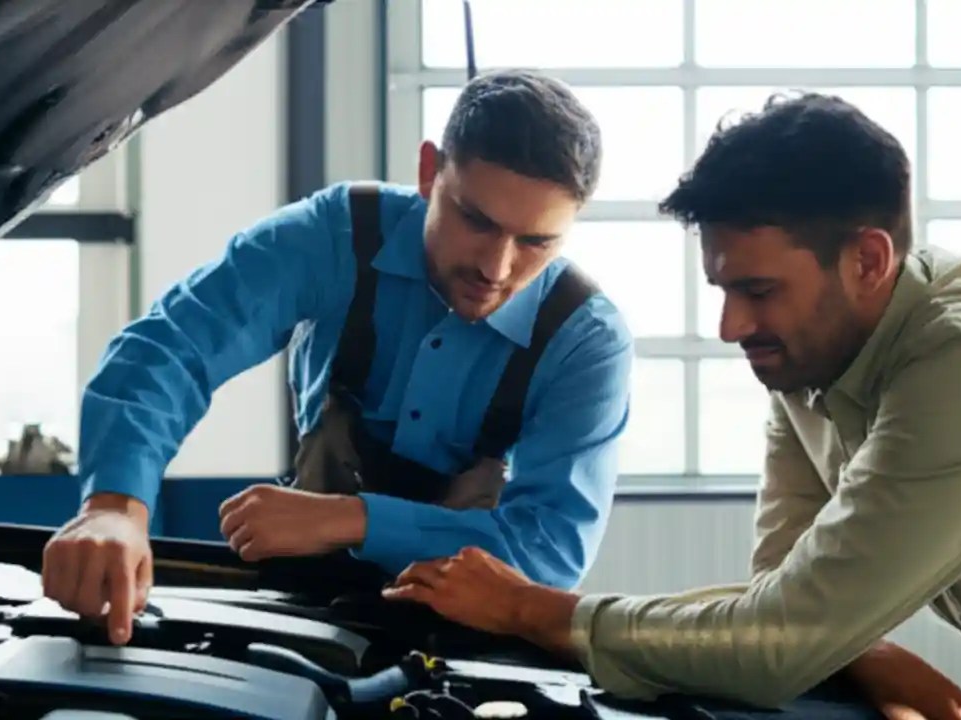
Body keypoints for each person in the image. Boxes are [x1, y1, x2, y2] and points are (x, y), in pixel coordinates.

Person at [381, 92, 961, 720]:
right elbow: (778, 597)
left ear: (868, 259)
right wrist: (861, 651)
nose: (731, 325)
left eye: (758, 290)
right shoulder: (817, 361)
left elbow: (775, 642)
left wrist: (531, 609)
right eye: (724, 287)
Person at [41, 69, 634, 647]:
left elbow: (550, 554)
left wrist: (348, 519)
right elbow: (173, 345)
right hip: (300, 610)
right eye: (476, 220)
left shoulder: (585, 341)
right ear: (429, 171)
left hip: (476, 636)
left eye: (536, 242)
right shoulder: (335, 235)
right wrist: (114, 506)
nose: (496, 268)